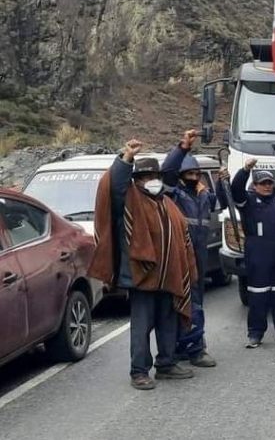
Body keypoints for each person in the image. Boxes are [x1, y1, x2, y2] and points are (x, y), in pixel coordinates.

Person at [89, 140, 198, 390]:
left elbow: (182, 239)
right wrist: (126, 157)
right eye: (146, 176)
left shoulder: (167, 203)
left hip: (168, 275)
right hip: (141, 277)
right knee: (141, 327)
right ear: (136, 179)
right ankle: (139, 371)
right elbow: (115, 184)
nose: (152, 180)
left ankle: (167, 364)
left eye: (154, 175)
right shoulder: (128, 199)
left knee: (168, 322)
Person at [160, 129, 222, 368]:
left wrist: (220, 182)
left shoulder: (204, 196)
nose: (194, 176)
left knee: (196, 304)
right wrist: (183, 147)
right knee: (176, 304)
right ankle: (177, 347)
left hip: (199, 257)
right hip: (178, 257)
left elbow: (222, 202)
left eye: (197, 173)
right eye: (189, 173)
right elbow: (167, 172)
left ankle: (196, 348)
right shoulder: (172, 195)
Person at [231, 159, 275, 347]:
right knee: (258, 295)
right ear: (255, 186)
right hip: (257, 254)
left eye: (269, 183)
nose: (267, 187)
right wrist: (245, 170)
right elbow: (235, 188)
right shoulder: (247, 201)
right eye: (263, 183)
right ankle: (255, 333)